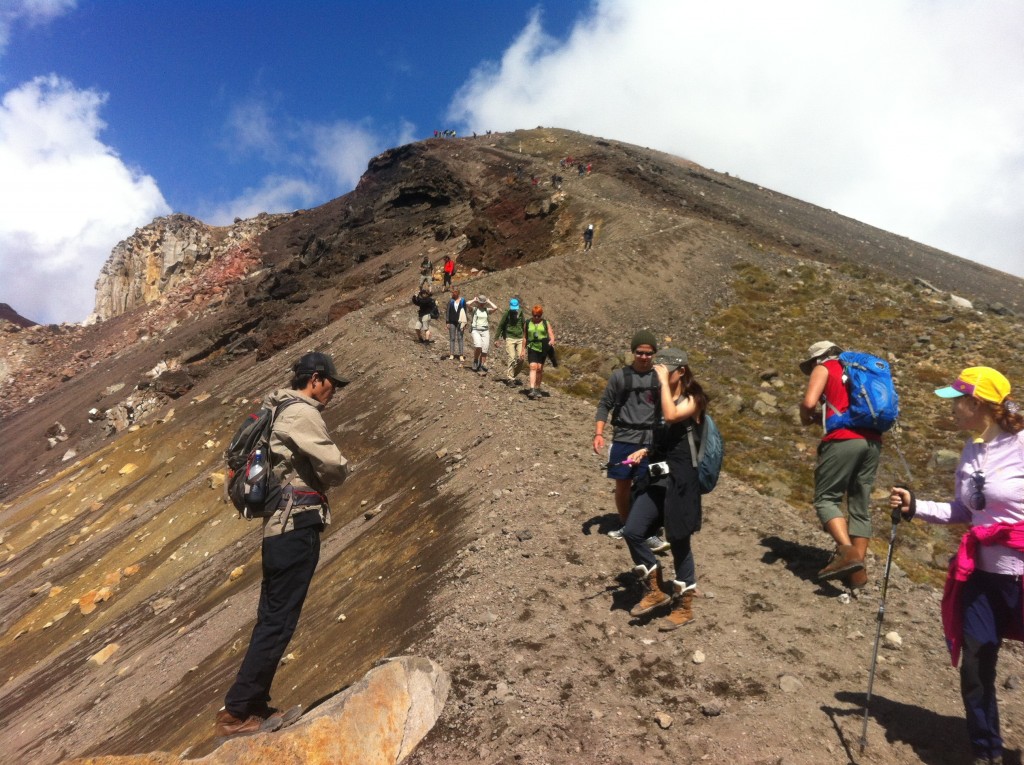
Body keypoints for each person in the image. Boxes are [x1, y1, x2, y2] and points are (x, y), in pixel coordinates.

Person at [889, 367, 1023, 765]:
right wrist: (916, 508)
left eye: (957, 400)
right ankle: (987, 753)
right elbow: (966, 509)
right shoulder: (971, 449)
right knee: (977, 666)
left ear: (978, 404)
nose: (951, 408)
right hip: (980, 577)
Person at [216, 352, 351, 738]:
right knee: (279, 619)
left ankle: (252, 705)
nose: (334, 392)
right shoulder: (301, 414)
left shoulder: (276, 409)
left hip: (279, 529)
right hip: (296, 526)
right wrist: (345, 467)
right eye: (332, 384)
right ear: (316, 378)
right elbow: (334, 466)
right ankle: (237, 712)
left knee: (273, 616)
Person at [622, 348, 707, 631]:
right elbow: (664, 436)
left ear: (681, 372)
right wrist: (645, 451)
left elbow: (672, 417)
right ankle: (655, 589)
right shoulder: (662, 400)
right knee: (633, 530)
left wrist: (661, 387)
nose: (660, 377)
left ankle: (684, 607)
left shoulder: (694, 399)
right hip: (657, 478)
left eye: (665, 372)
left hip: (682, 481)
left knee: (680, 541)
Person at [799, 341, 882, 586]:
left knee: (826, 498)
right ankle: (856, 575)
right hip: (873, 441)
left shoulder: (825, 367)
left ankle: (847, 554)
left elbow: (808, 403)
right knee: (859, 502)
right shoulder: (862, 371)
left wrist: (807, 418)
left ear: (819, 358)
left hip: (843, 440)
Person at [594, 330, 669, 552]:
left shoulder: (660, 378)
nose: (644, 357)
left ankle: (648, 530)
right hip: (623, 439)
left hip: (650, 441)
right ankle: (627, 524)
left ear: (654, 353)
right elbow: (604, 404)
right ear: (633, 352)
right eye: (640, 352)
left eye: (649, 353)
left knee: (650, 486)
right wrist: (599, 433)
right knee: (623, 485)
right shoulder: (619, 376)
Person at [524, 305, 555, 400]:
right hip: (532, 346)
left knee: (539, 368)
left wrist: (551, 341)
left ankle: (537, 388)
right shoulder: (528, 323)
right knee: (533, 366)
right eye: (535, 315)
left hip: (543, 347)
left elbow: (551, 335)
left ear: (541, 315)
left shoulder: (545, 323)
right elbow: (525, 336)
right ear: (532, 314)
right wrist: (522, 350)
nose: (536, 318)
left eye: (538, 316)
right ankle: (532, 389)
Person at [496, 298, 526, 386]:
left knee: (521, 358)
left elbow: (524, 325)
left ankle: (512, 374)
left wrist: (526, 338)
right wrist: (496, 339)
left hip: (520, 338)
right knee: (512, 357)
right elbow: (501, 325)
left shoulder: (521, 313)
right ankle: (510, 378)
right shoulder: (507, 313)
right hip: (510, 338)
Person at [468, 295, 498, 372]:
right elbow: (467, 304)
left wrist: (489, 302)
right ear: (477, 302)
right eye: (480, 303)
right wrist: (473, 300)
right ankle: (475, 361)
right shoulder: (474, 309)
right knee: (478, 346)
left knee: (485, 348)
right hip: (476, 330)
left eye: (483, 303)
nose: (481, 304)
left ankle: (481, 364)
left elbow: (495, 308)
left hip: (485, 331)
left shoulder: (486, 310)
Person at [445, 288, 468, 361]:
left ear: (458, 293)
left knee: (460, 338)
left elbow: (465, 311)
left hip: (460, 321)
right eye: (452, 293)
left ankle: (461, 355)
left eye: (454, 292)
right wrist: (447, 322)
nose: (453, 294)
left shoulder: (463, 301)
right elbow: (448, 311)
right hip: (452, 321)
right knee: (452, 338)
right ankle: (451, 354)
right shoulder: (451, 301)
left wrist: (465, 323)